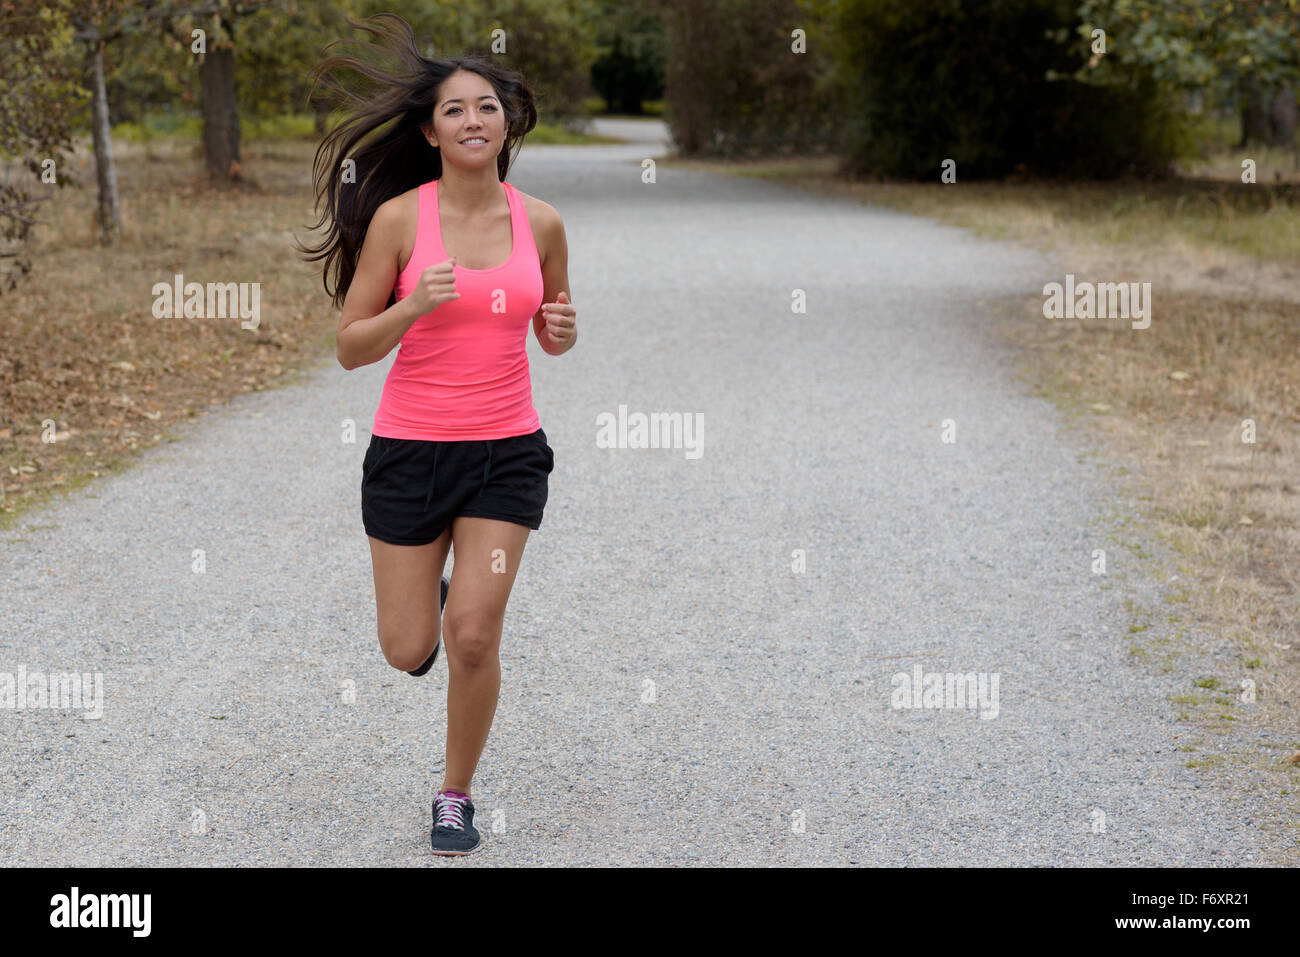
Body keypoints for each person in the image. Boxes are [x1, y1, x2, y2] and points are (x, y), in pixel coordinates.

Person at [298, 13, 578, 856]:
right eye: (454, 110)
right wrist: (412, 304)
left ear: (506, 123)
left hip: (505, 455)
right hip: (411, 455)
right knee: (407, 644)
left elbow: (553, 324)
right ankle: (439, 611)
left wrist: (560, 331)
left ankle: (454, 794)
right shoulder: (396, 222)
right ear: (429, 129)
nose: (472, 121)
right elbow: (350, 347)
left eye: (486, 107)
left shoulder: (543, 223)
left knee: (474, 634)